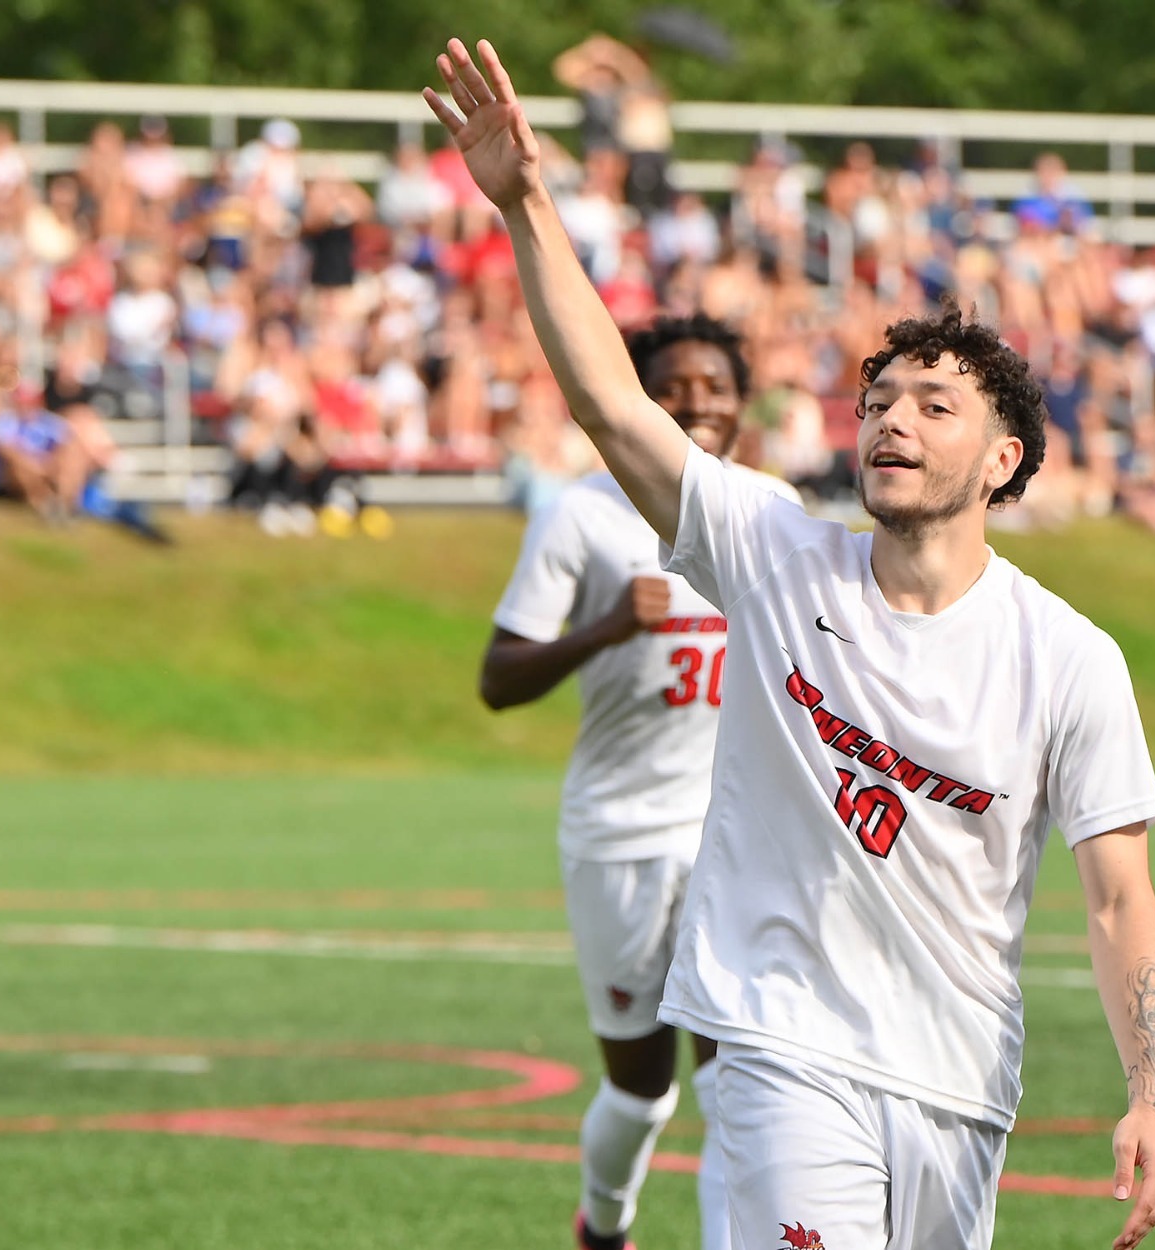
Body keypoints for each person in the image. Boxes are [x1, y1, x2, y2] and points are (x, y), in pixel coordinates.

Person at [427, 38, 1155, 1250]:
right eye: (878, 399)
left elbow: (1115, 896)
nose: (891, 419)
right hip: (780, 1046)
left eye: (934, 406)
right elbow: (613, 404)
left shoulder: (1068, 655)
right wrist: (525, 204)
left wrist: (1148, 1091)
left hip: (956, 1081)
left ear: (1001, 463)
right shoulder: (773, 553)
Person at [480, 313, 800, 1250]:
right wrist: (606, 630)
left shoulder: (772, 509)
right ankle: (604, 1225)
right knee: (642, 1088)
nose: (696, 401)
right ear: (637, 398)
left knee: (734, 1078)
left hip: (736, 836)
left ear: (743, 402)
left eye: (715, 385)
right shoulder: (582, 516)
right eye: (674, 385)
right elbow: (499, 679)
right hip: (619, 834)